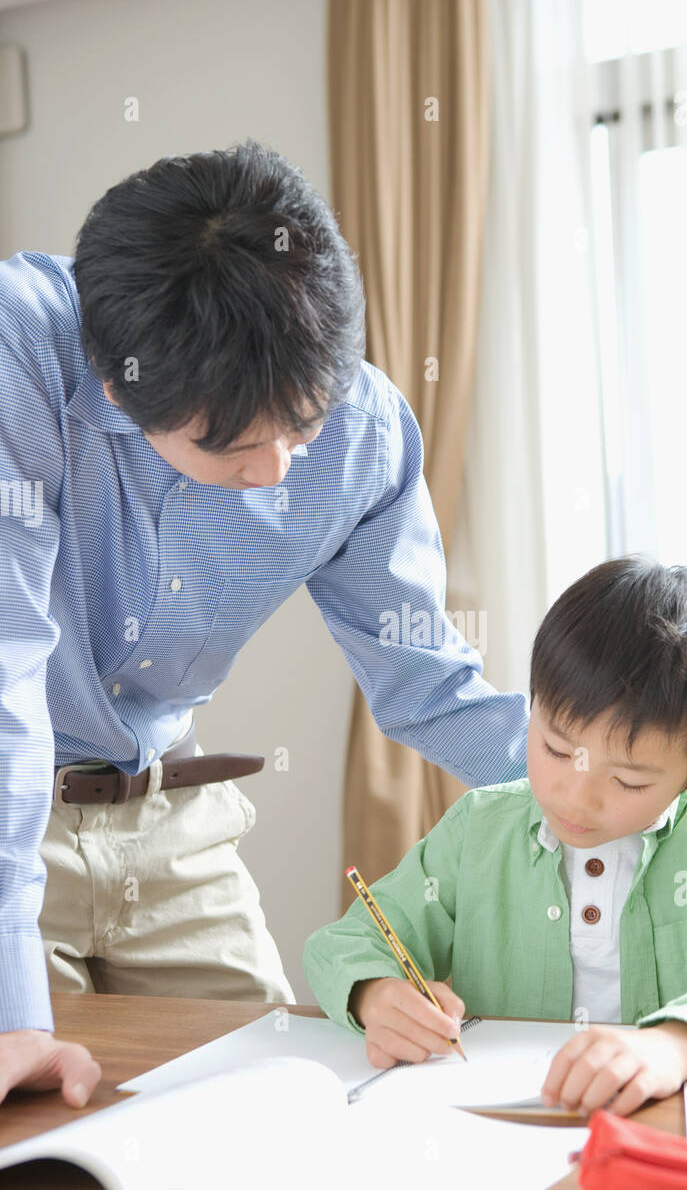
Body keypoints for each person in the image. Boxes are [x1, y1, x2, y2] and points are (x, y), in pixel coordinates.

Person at [0, 139, 529, 1108]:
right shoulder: (19, 354)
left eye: (303, 423)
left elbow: (428, 681)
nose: (279, 469)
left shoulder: (365, 432)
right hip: (11, 828)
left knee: (290, 1103)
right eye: (237, 442)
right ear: (118, 388)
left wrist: (607, 767)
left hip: (174, 821)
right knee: (39, 1157)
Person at [304, 556, 687, 1116]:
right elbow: (344, 944)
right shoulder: (479, 828)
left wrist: (675, 1045)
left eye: (627, 780)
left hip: (671, 1123)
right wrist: (375, 993)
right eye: (554, 749)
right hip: (496, 1122)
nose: (576, 798)